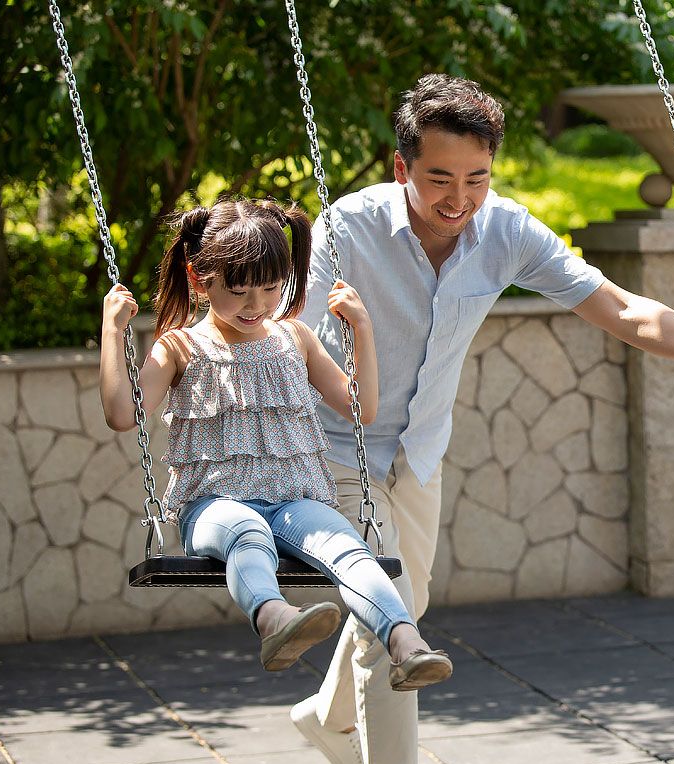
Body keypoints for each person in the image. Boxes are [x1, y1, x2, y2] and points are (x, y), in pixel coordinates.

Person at [287, 75, 674, 764]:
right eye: (439, 179)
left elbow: (622, 310)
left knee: (399, 606)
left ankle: (327, 721)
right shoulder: (347, 226)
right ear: (401, 169)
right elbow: (286, 330)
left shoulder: (508, 231)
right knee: (392, 622)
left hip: (419, 454)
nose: (459, 198)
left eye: (477, 178)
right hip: (333, 448)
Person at [99, 198, 453, 691]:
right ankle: (274, 620)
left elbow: (361, 409)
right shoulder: (179, 347)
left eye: (270, 289)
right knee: (246, 531)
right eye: (240, 290)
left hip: (293, 501)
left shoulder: (295, 338)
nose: (257, 305)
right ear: (201, 281)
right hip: (213, 506)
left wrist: (363, 329)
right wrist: (111, 330)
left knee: (350, 549)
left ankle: (406, 643)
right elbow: (122, 414)